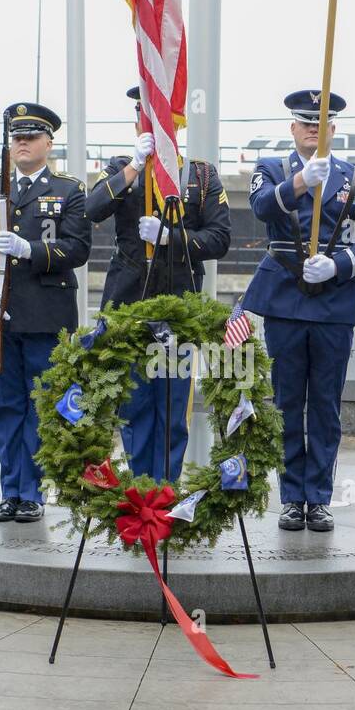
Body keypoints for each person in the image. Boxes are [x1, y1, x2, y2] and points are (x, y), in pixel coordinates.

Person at [245, 89, 355, 532]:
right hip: (285, 299)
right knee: (287, 402)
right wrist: (301, 182)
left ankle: (319, 496)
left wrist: (340, 263)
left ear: (332, 129)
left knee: (325, 405)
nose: (313, 128)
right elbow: (261, 208)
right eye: (305, 122)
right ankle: (291, 495)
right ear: (292, 129)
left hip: (334, 302)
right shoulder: (272, 169)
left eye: (321, 122)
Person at [85, 85, 232, 481]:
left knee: (171, 408)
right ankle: (138, 489)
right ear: (138, 122)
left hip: (178, 305)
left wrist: (171, 237)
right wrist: (134, 167)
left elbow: (220, 240)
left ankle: (165, 491)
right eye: (145, 118)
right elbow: (93, 208)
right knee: (133, 407)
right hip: (128, 303)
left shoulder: (200, 175)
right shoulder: (120, 166)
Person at [0, 102, 91, 523]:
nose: (21, 142)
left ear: (49, 143)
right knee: (5, 407)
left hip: (45, 315)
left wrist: (29, 250)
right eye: (16, 136)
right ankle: (9, 490)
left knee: (39, 406)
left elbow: (78, 249)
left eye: (31, 136)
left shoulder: (69, 190)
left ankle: (31, 490)